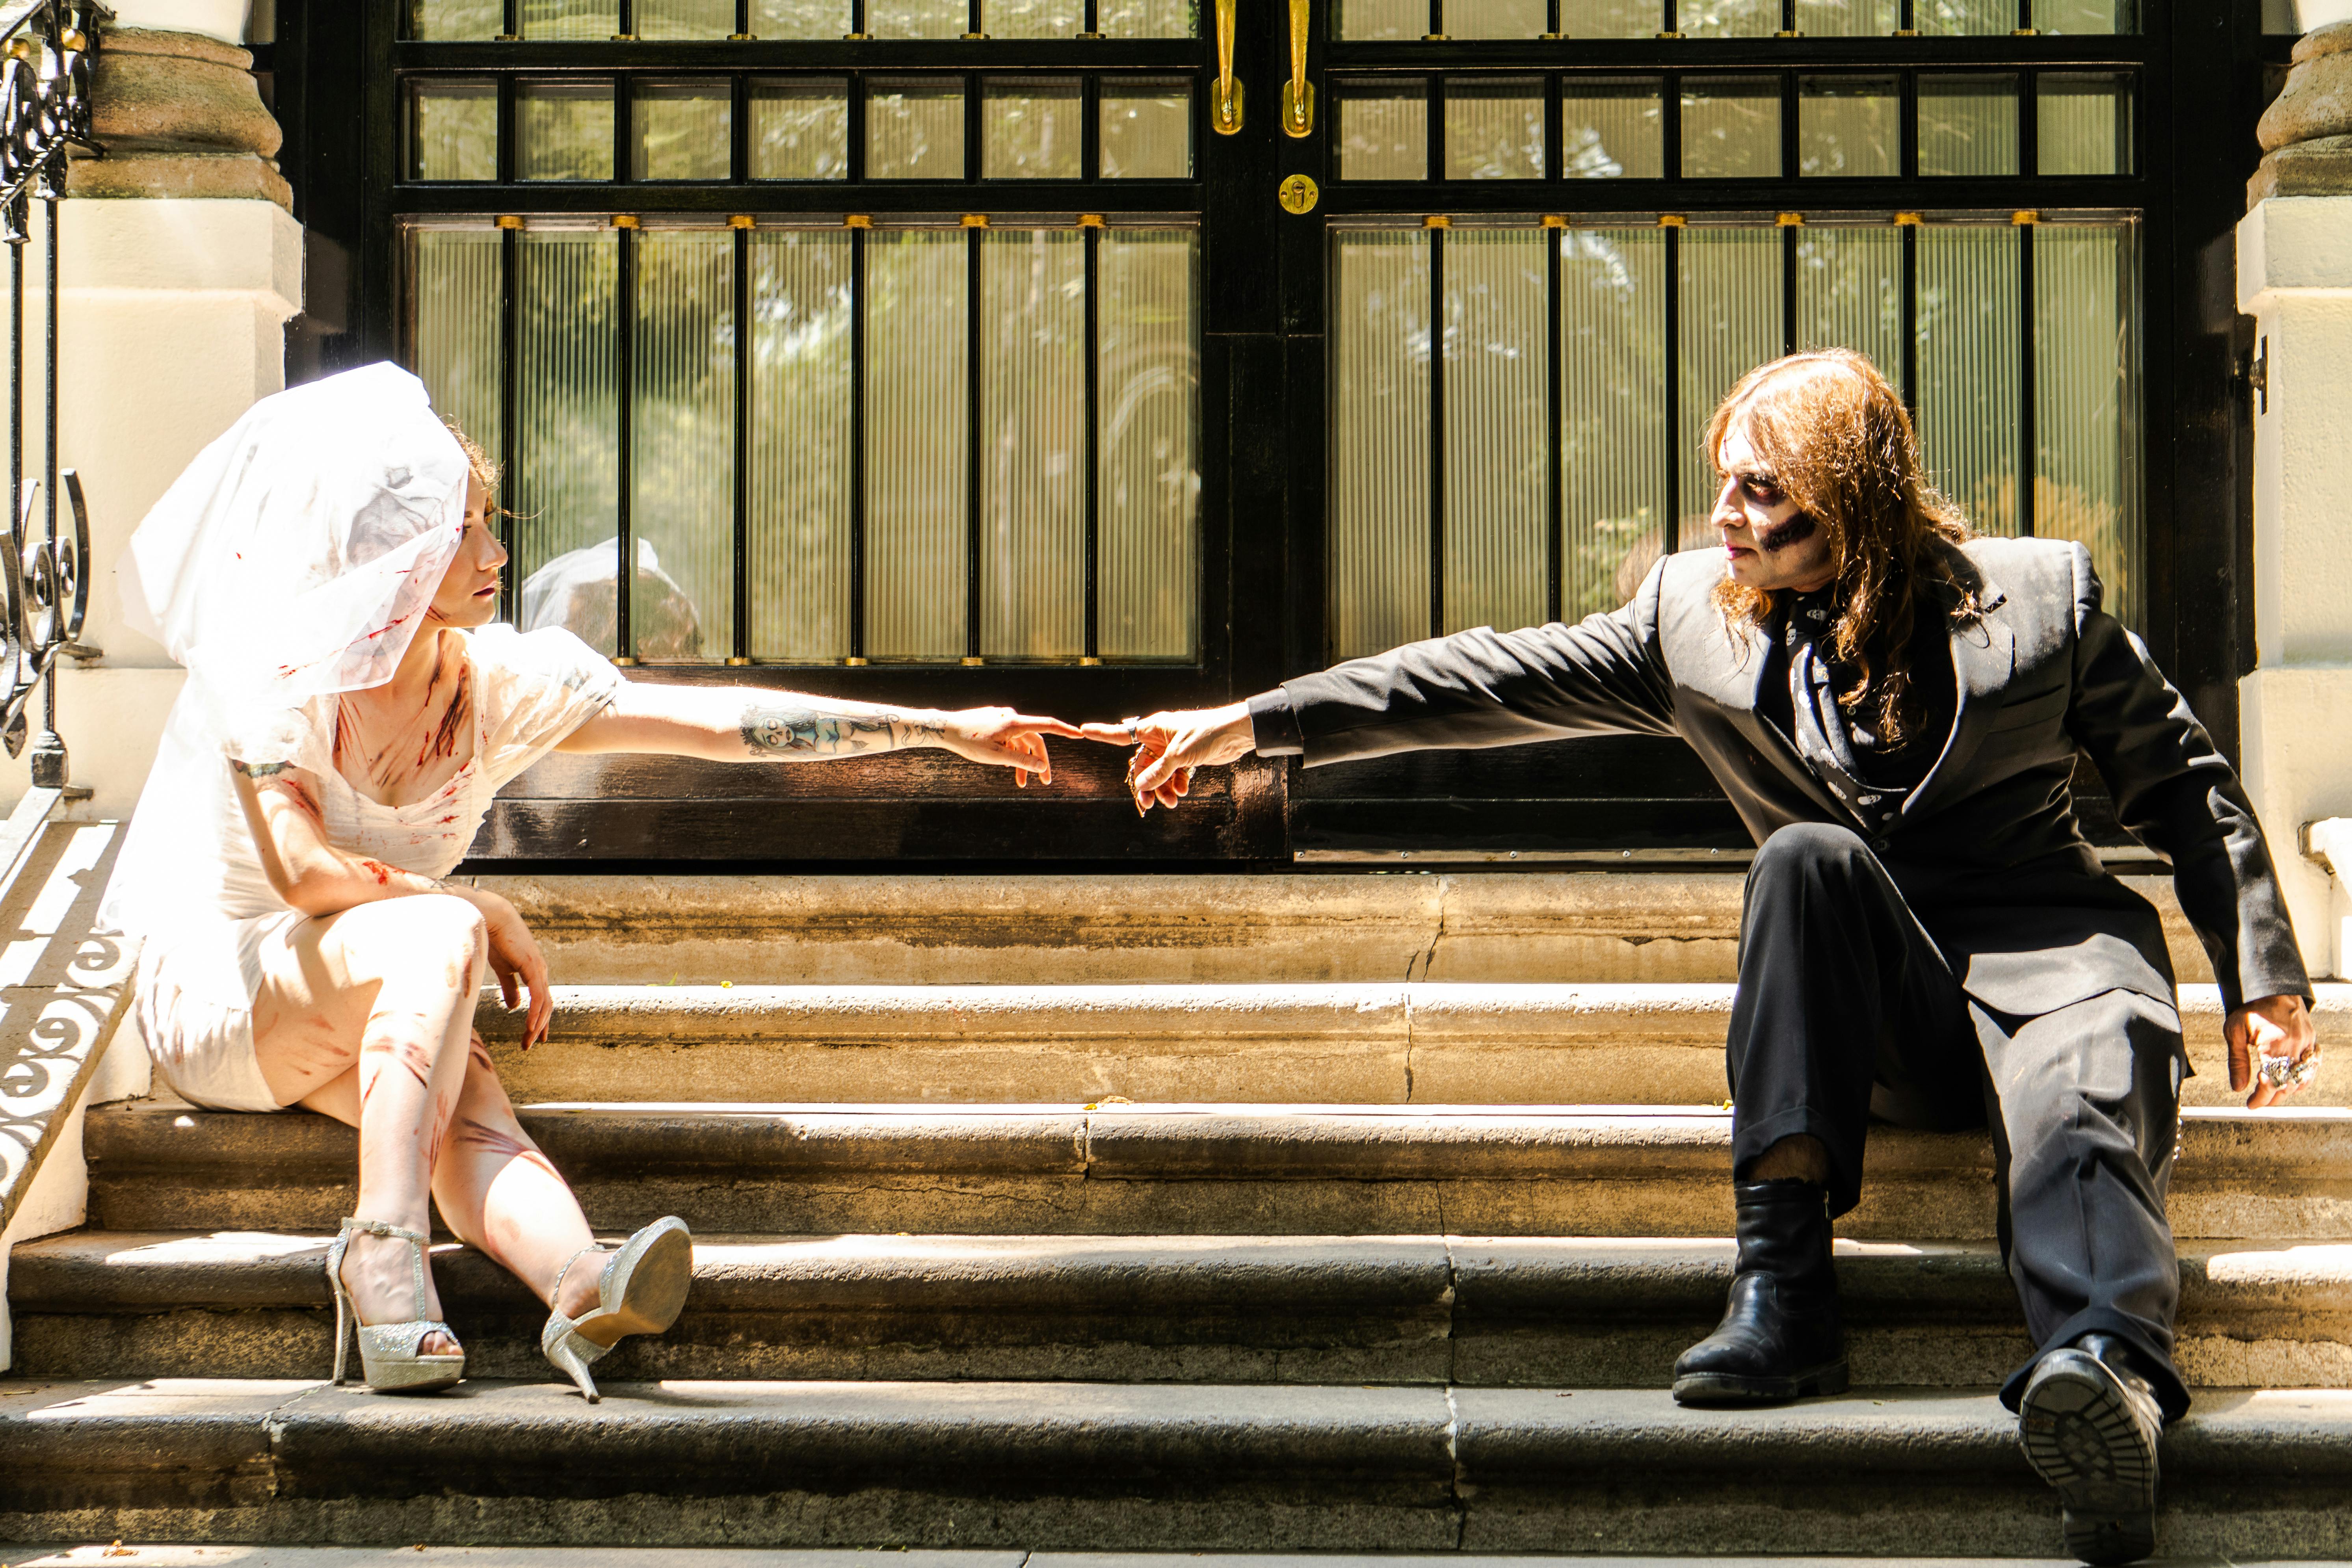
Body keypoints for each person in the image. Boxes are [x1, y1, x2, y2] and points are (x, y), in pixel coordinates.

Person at [1086, 349, 2319, 1567]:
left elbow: (2183, 784)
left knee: (2081, 1093)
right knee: (1801, 861)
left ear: (1854, 492)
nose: (1725, 513)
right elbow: (1478, 676)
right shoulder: (1688, 620)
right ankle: (1781, 1297)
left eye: (1763, 490)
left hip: (2053, 950)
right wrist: (1257, 723)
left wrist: (2259, 976)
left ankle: (2103, 1377)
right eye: (1722, 482)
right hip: (1869, 996)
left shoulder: (2042, 597)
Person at [104, 364, 1081, 1399]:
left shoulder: (492, 684)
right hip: (227, 985)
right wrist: (469, 904)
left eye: (489, 522)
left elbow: (719, 725)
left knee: (462, 1093)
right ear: (388, 555)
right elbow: (301, 875)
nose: (498, 552)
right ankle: (379, 1247)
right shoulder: (276, 674)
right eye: (465, 530)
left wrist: (940, 731)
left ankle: (576, 1281)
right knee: (438, 943)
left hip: (365, 980)